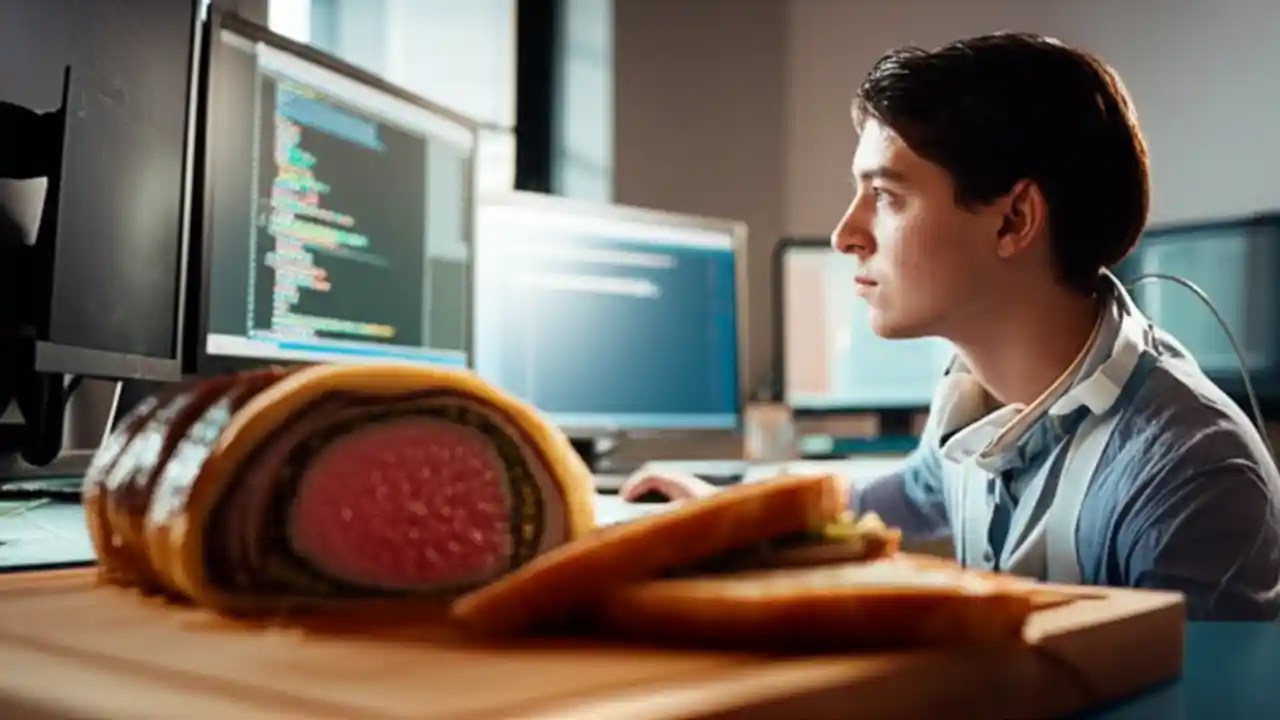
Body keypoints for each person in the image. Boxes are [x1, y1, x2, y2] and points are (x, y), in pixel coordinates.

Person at [621, 31, 1280, 621]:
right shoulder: (975, 397)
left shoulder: (1190, 473)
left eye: (886, 196)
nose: (845, 234)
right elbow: (898, 494)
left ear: (1013, 220)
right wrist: (723, 510)